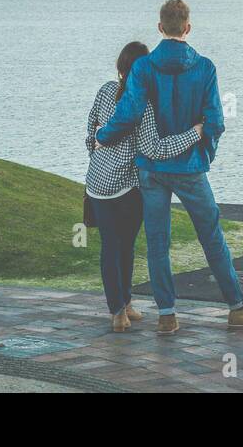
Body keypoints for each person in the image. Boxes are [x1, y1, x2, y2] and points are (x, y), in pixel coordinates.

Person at [96, 0, 243, 333]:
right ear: (188, 27)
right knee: (212, 237)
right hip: (190, 168)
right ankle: (237, 307)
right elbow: (215, 122)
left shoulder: (143, 68)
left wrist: (102, 136)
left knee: (157, 243)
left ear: (160, 27)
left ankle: (167, 315)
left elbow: (129, 114)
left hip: (151, 170)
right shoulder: (205, 68)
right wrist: (204, 155)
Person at [84, 41, 205, 332]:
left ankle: (122, 304)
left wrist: (97, 149)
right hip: (126, 186)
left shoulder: (104, 91)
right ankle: (118, 310)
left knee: (114, 247)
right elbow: (155, 149)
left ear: (120, 66)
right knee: (121, 246)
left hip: (96, 184)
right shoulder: (145, 105)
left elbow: (90, 129)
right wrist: (194, 133)